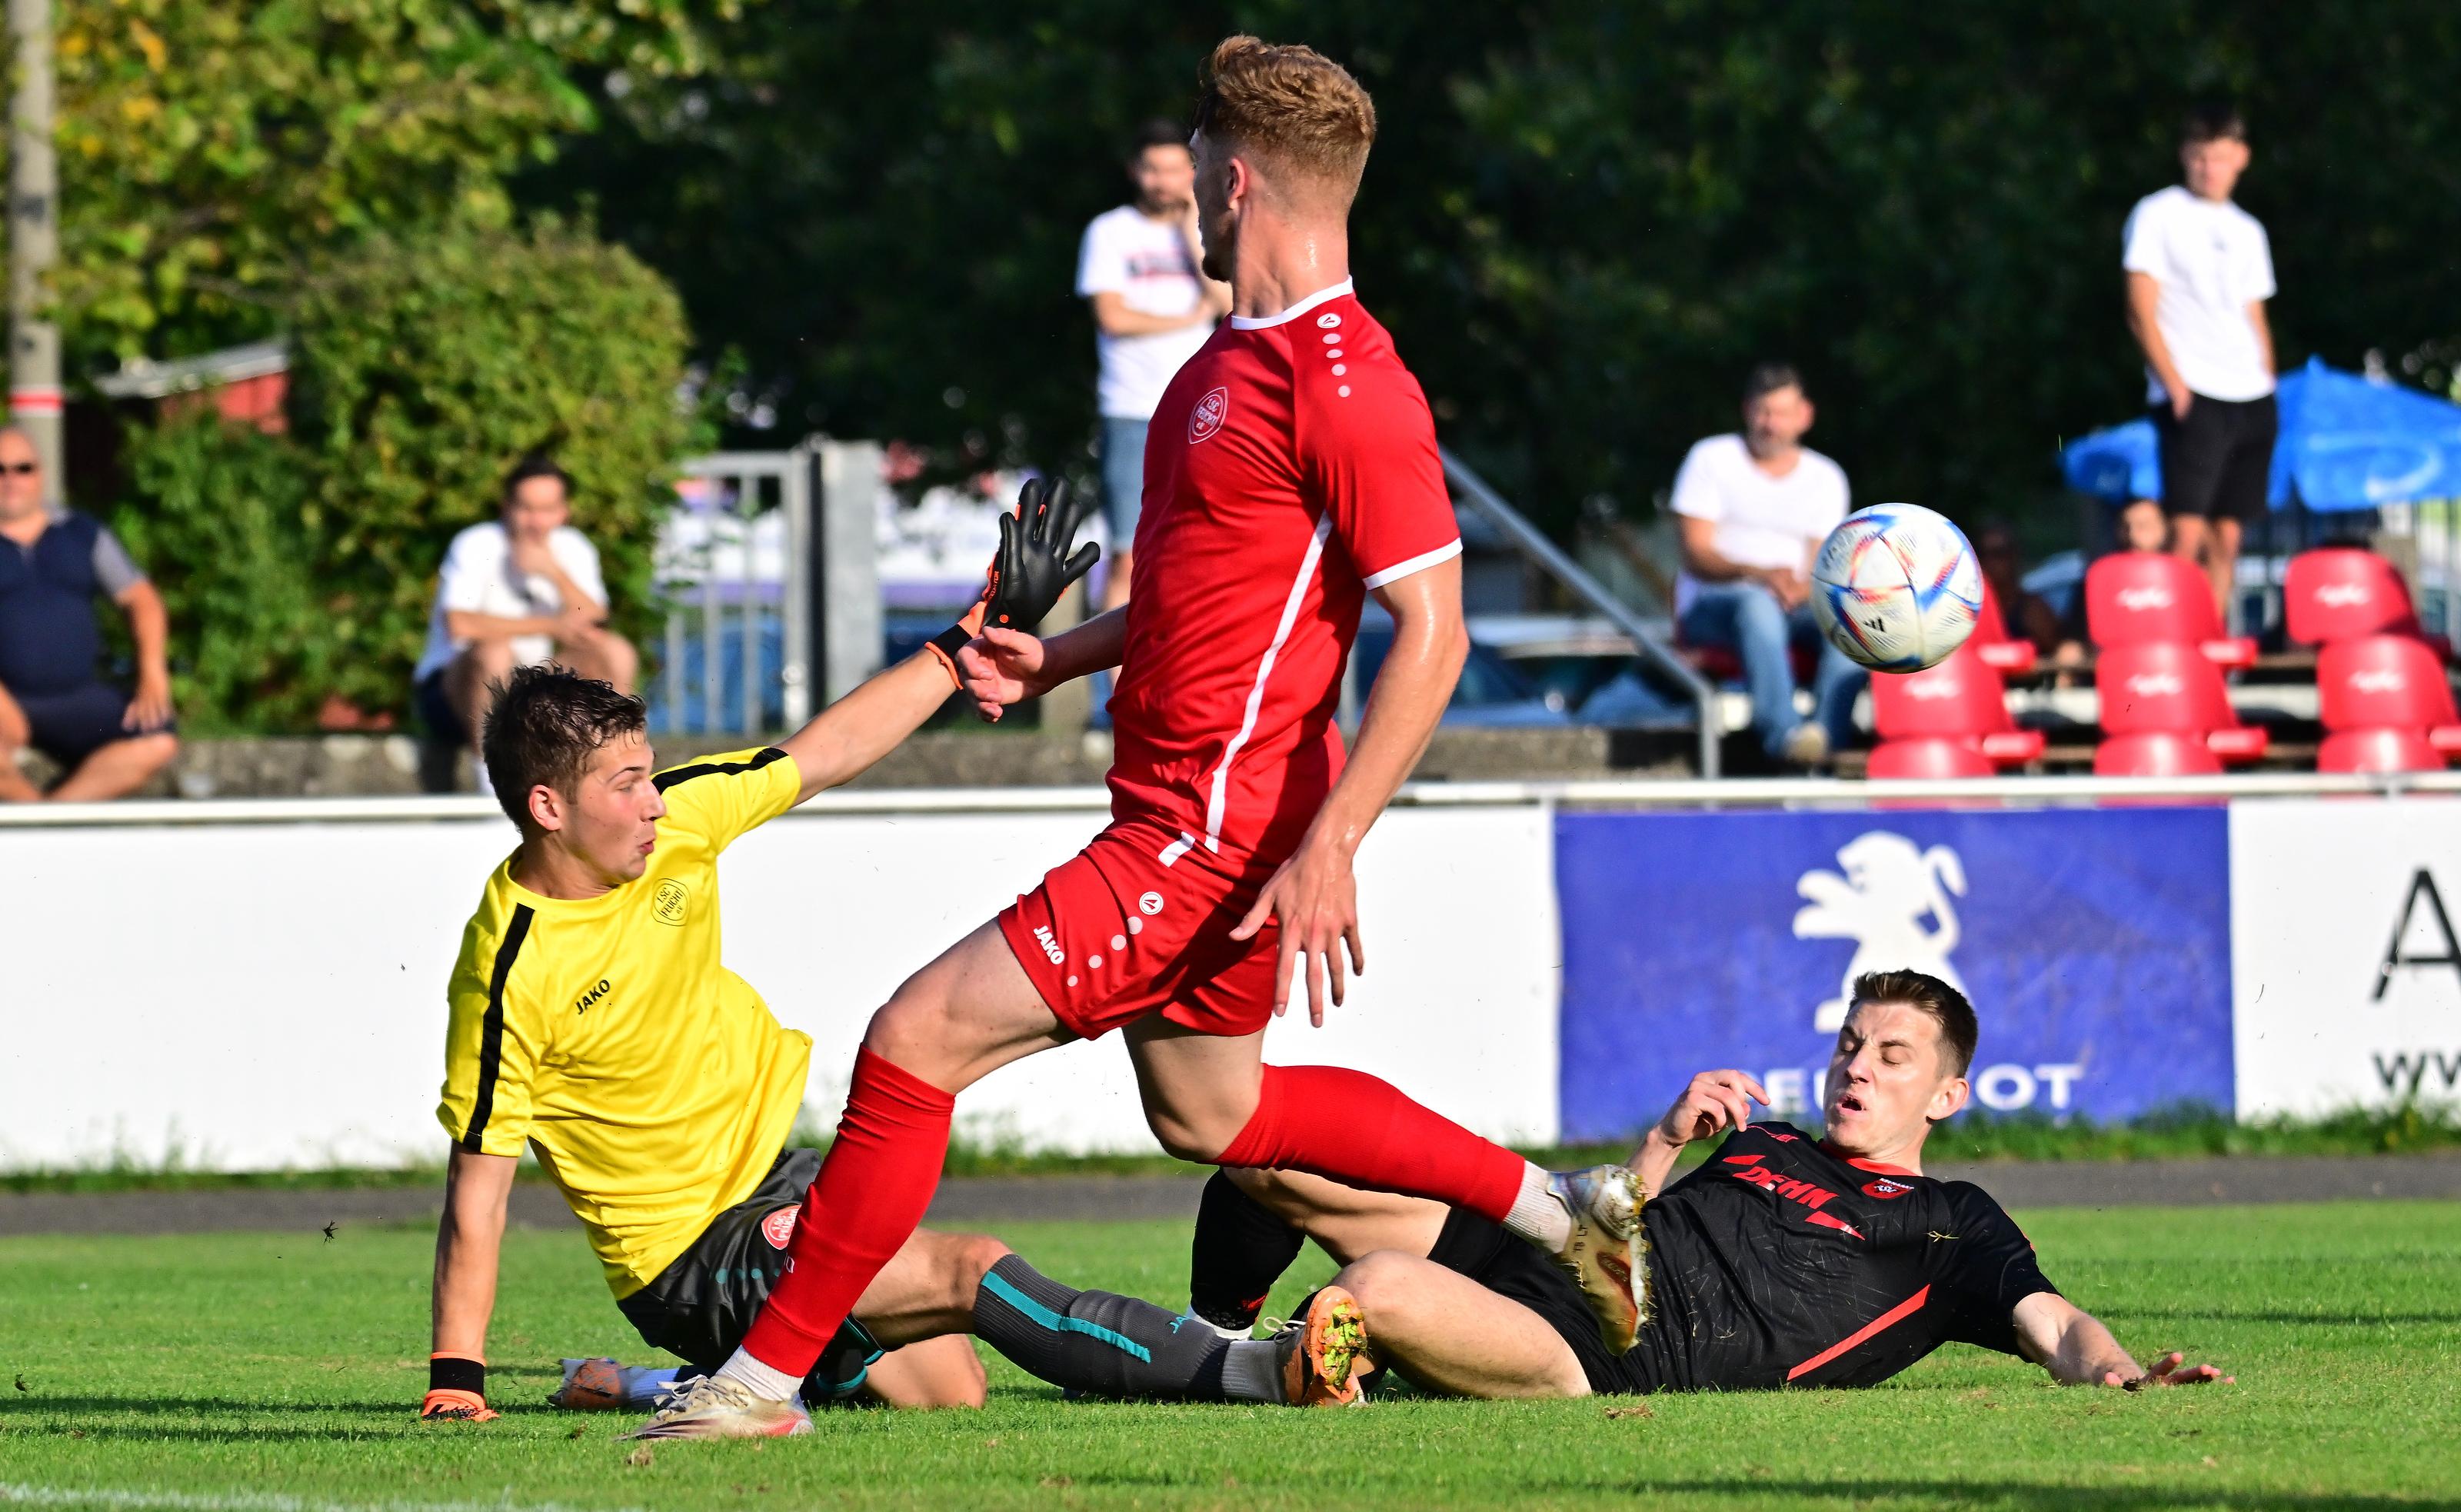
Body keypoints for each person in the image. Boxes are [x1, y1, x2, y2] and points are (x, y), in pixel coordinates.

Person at [638, 35, 1646, 1439]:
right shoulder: (1218, 369)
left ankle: (759, 1385)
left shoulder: (1351, 384)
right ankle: (1557, 1206)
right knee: (1216, 1116)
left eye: (1198, 188)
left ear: (1235, 186)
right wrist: (1054, 655)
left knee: (913, 1041)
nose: (1190, 214)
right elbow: (1189, 598)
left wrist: (1332, 841)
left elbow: (1437, 632)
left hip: (1210, 830)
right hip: (1179, 807)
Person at [419, 489, 1381, 1430]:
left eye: (647, 774)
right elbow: (478, 1187)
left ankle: (646, 1387)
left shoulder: (678, 821)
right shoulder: (508, 971)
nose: (654, 803)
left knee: (948, 1390)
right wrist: (456, 1376)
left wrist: (969, 640)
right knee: (971, 1271)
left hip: (786, 1176)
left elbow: (826, 749)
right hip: (689, 1260)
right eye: (626, 785)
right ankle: (1256, 1372)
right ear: (548, 808)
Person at [1184, 971, 2236, 1400]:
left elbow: (2057, 1326)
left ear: (1950, 1093)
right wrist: (1661, 1140)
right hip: (1570, 1250)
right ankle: (1219, 1337)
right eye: (1851, 1043)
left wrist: (2121, 1376)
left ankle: (1339, 1348)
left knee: (1376, 1281)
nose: (1859, 1066)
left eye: (1894, 1056)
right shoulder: (1761, 1139)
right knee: (1264, 1161)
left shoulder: (1953, 1224)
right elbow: (1613, 1223)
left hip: (1610, 1350)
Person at [2123, 104, 2277, 624]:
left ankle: (2209, 652)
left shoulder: (2248, 230)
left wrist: (2267, 376)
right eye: (2200, 158)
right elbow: (2140, 305)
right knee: (2186, 530)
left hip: (2250, 395)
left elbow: (2254, 311)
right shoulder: (2157, 213)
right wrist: (2176, 385)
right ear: (2186, 157)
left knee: (2229, 537)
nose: (2210, 169)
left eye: (2221, 157)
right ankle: (2164, 641)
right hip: (2195, 392)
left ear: (2241, 158)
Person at [1671, 364, 1863, 768]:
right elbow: (1697, 554)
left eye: (1781, 413)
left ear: (1804, 416)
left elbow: (1820, 564)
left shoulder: (1826, 477)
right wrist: (1760, 576)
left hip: (1793, 605)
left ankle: (1825, 740)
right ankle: (1784, 738)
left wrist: (1799, 588)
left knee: (1849, 619)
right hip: (1715, 605)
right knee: (1757, 604)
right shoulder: (1711, 459)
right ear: (1747, 411)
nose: (1770, 424)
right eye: (1763, 412)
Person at [1077, 118, 1233, 612]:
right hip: (1131, 410)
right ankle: (1115, 686)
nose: (1164, 182)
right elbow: (1112, 317)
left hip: (1202, 411)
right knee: (1129, 553)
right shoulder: (1110, 231)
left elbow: (1227, 304)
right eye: (1153, 170)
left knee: (1201, 548)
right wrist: (1188, 317)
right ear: (1134, 172)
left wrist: (1193, 227)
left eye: (1175, 170)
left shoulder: (1209, 230)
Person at [415, 455, 638, 790]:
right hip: (454, 695)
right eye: (526, 509)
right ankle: (492, 788)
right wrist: (547, 626)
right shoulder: (476, 544)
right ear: (506, 508)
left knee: (615, 652)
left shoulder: (573, 548)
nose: (536, 522)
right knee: (493, 653)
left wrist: (554, 573)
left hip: (533, 690)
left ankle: (609, 775)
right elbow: (459, 624)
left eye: (547, 510)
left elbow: (594, 619)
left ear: (564, 511)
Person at [0, 426, 178, 802]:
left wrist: (152, 670)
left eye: (22, 468)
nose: (10, 479)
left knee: (157, 739)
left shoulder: (82, 533)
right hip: (6, 703)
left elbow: (141, 599)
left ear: (40, 474)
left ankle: (49, 818)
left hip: (78, 697)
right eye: (0, 470)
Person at [1973, 523, 2063, 656]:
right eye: (1982, 553)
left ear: (2014, 557)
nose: (1989, 561)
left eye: (1998, 553)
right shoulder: (1972, 609)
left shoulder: (2034, 610)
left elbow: (2060, 654)